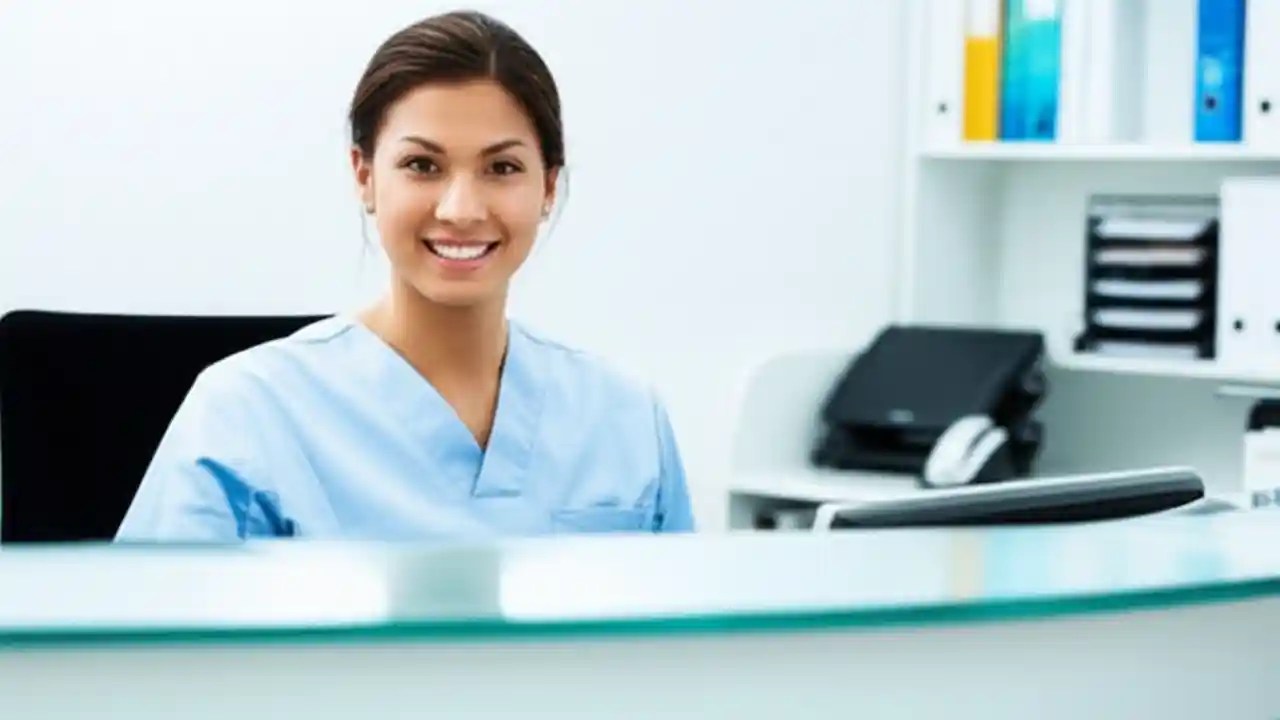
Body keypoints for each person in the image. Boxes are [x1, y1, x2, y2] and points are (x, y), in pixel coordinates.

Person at [115, 10, 695, 541]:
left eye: (502, 167)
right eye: (422, 165)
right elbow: (156, 623)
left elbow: (683, 624)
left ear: (547, 187)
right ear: (364, 176)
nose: (461, 209)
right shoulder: (246, 415)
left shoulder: (626, 421)